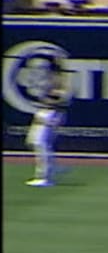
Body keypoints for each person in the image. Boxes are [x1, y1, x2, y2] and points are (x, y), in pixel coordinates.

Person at [25, 54, 70, 187]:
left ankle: (44, 177)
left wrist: (50, 102)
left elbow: (63, 98)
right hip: (44, 111)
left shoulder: (59, 79)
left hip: (51, 112)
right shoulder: (50, 78)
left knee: (40, 143)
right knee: (33, 141)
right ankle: (53, 167)